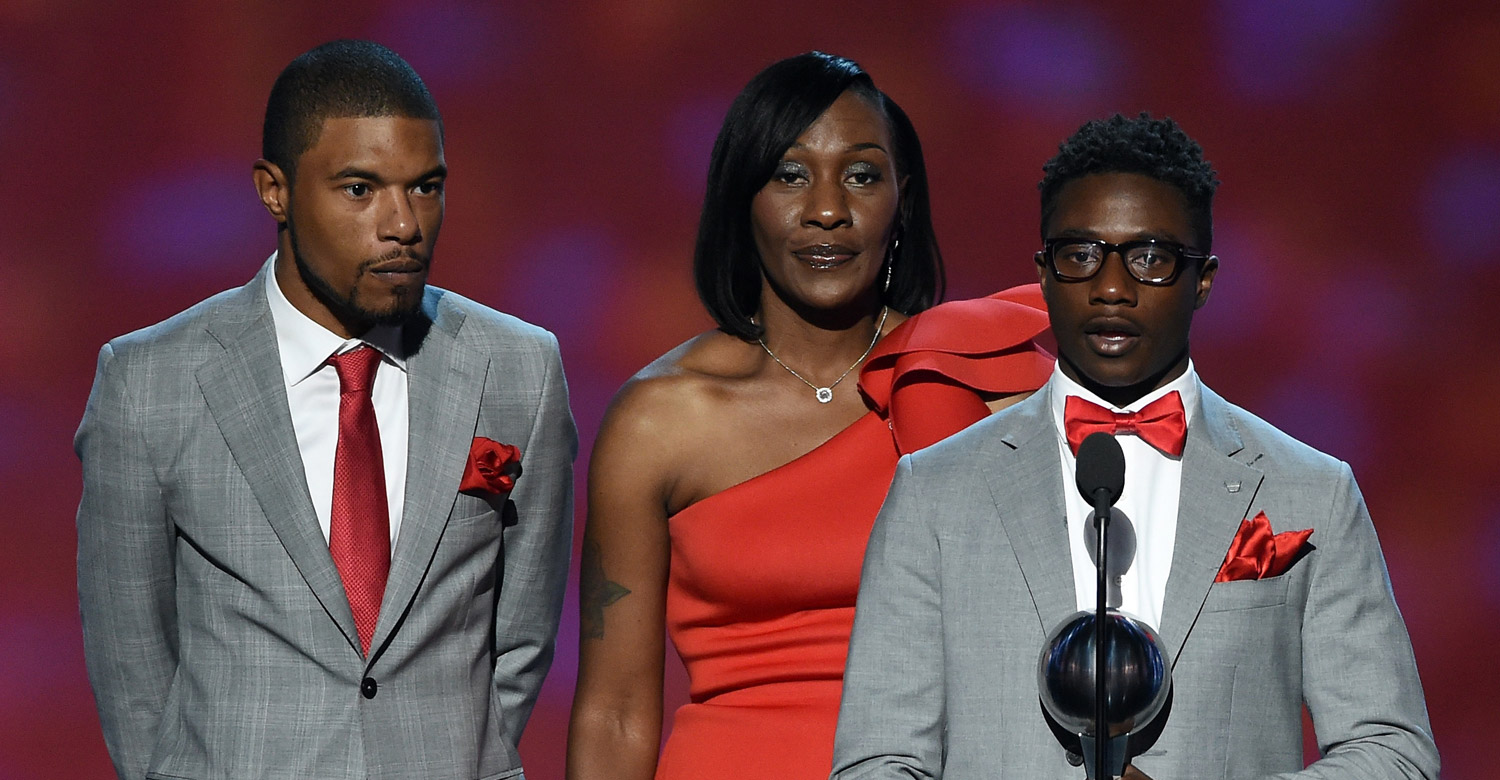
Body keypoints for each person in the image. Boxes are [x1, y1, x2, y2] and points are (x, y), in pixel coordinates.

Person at [830, 113, 1440, 779]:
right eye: (1080, 254)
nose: (1111, 288)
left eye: (1149, 257)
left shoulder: (1310, 490)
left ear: (1202, 279)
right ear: (1043, 273)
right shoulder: (935, 492)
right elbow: (877, 761)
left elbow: (1393, 751)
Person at [75, 40, 576, 780]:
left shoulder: (518, 368)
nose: (404, 224)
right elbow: (132, 661)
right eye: (359, 189)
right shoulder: (150, 381)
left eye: (426, 187)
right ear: (274, 190)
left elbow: (524, 634)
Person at [565, 52, 1052, 780]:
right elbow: (616, 712)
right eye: (791, 175)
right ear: (742, 198)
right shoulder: (659, 420)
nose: (828, 209)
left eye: (861, 175)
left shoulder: (987, 386)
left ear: (903, 199)